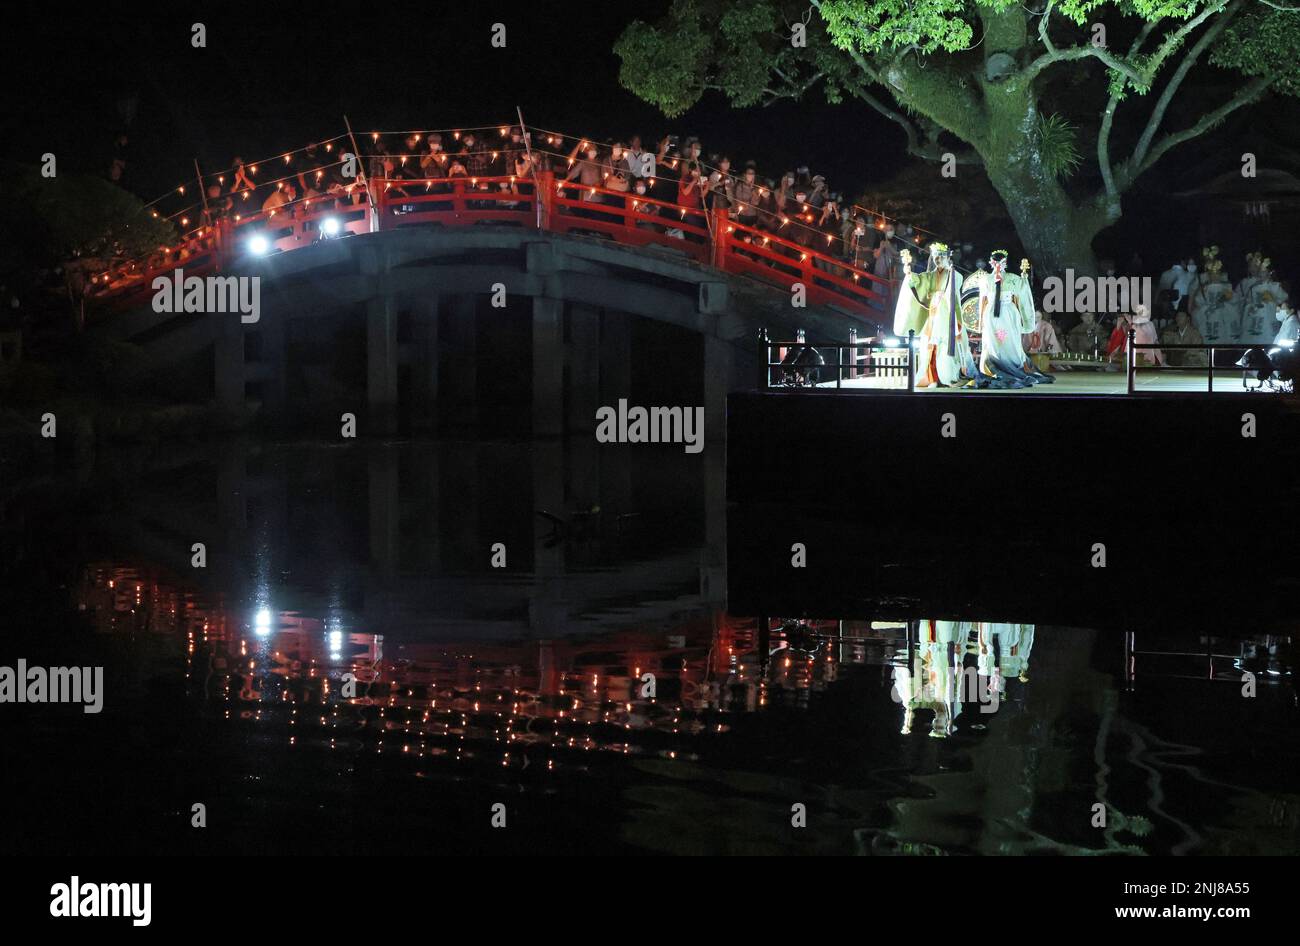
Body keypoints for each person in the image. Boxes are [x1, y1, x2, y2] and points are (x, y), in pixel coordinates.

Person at [895, 243, 977, 387]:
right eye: (935, 257)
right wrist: (909, 274)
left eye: (940, 256)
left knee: (945, 346)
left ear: (946, 257)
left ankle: (947, 376)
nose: (937, 259)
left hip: (947, 316)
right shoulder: (931, 275)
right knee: (929, 346)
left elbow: (954, 298)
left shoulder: (954, 275)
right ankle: (932, 377)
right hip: (933, 315)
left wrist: (956, 320)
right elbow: (919, 281)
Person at [971, 252, 1050, 387]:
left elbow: (1024, 296)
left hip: (1008, 312)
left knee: (1010, 341)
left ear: (1005, 264)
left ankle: (1013, 365)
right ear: (991, 263)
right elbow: (982, 301)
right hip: (991, 314)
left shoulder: (1014, 279)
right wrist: (980, 322)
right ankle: (992, 367)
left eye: (1001, 263)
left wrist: (1024, 279)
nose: (998, 266)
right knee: (992, 342)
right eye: (996, 263)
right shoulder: (985, 280)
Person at [1239, 258, 1288, 345]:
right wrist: (1251, 307)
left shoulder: (1275, 286)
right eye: (1260, 272)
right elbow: (1248, 302)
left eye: (1264, 272)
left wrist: (1272, 300)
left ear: (1269, 273)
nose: (1262, 274)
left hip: (1270, 318)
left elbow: (1284, 300)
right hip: (1256, 319)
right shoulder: (1254, 288)